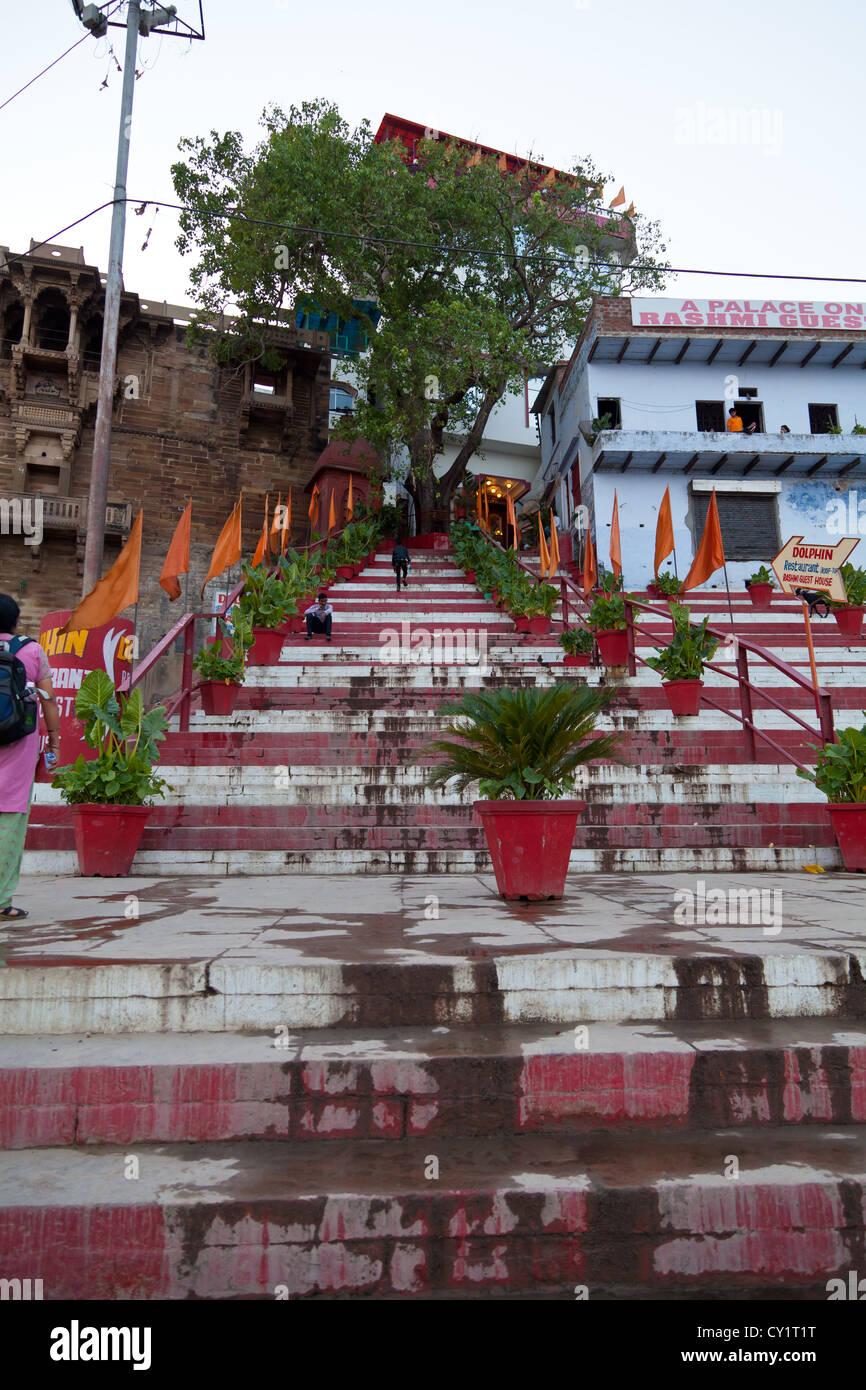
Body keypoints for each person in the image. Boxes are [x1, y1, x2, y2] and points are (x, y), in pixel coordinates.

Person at [0, 594, 60, 920]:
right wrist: (54, 740)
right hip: (19, 744)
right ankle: (2, 902)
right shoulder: (32, 650)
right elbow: (49, 698)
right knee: (10, 821)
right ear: (14, 622)